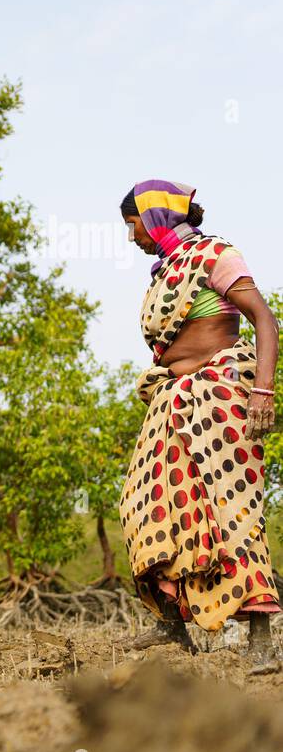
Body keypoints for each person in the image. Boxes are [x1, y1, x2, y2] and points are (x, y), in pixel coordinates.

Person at [118, 180, 278, 663]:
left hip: (221, 394)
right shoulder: (163, 272)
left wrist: (263, 392)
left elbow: (265, 320)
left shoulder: (215, 255)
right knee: (146, 504)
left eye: (133, 226)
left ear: (155, 218)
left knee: (232, 512)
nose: (132, 239)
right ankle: (173, 624)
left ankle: (262, 641)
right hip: (172, 400)